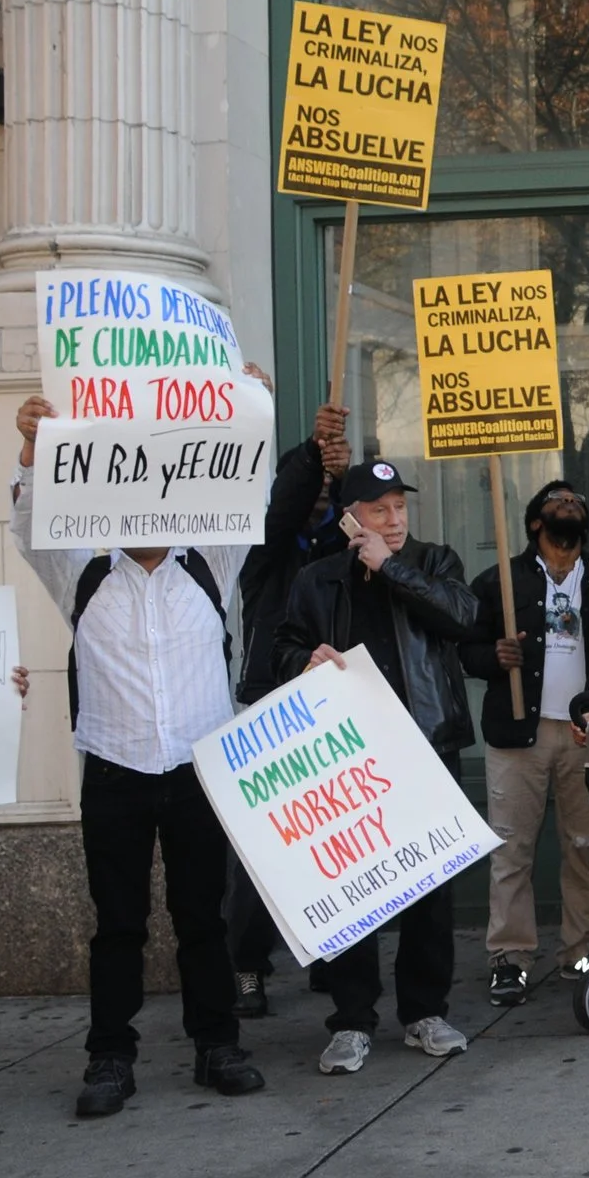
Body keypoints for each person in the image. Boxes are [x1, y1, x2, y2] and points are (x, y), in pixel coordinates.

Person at [12, 387, 271, 1117]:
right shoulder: (83, 574)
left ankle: (217, 1045)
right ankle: (110, 1057)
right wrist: (32, 449)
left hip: (196, 772)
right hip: (114, 771)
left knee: (202, 919)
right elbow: (29, 523)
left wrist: (252, 402)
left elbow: (250, 485)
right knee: (117, 924)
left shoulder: (210, 563)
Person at [278, 457, 481, 1075]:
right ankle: (351, 1020)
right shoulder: (318, 579)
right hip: (350, 757)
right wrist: (302, 663)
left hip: (426, 745)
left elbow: (460, 617)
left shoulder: (433, 560)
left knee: (430, 891)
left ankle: (425, 1012)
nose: (394, 520)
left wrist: (390, 566)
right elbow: (282, 648)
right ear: (350, 518)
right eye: (378, 510)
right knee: (351, 891)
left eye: (400, 507)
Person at [462, 481, 589, 1007]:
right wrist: (495, 657)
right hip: (518, 732)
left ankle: (582, 949)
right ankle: (509, 957)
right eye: (558, 500)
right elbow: (467, 651)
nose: (569, 504)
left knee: (586, 845)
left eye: (577, 501)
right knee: (511, 848)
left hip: (584, 732)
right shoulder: (500, 579)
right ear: (536, 521)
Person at [227, 396, 353, 1019]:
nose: (322, 496)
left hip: (330, 705)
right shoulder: (263, 550)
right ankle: (247, 964)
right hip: (269, 703)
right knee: (262, 851)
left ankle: (330, 951)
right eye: (314, 487)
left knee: (333, 837)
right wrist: (313, 454)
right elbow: (282, 511)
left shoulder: (341, 553)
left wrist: (343, 475)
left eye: (330, 489)